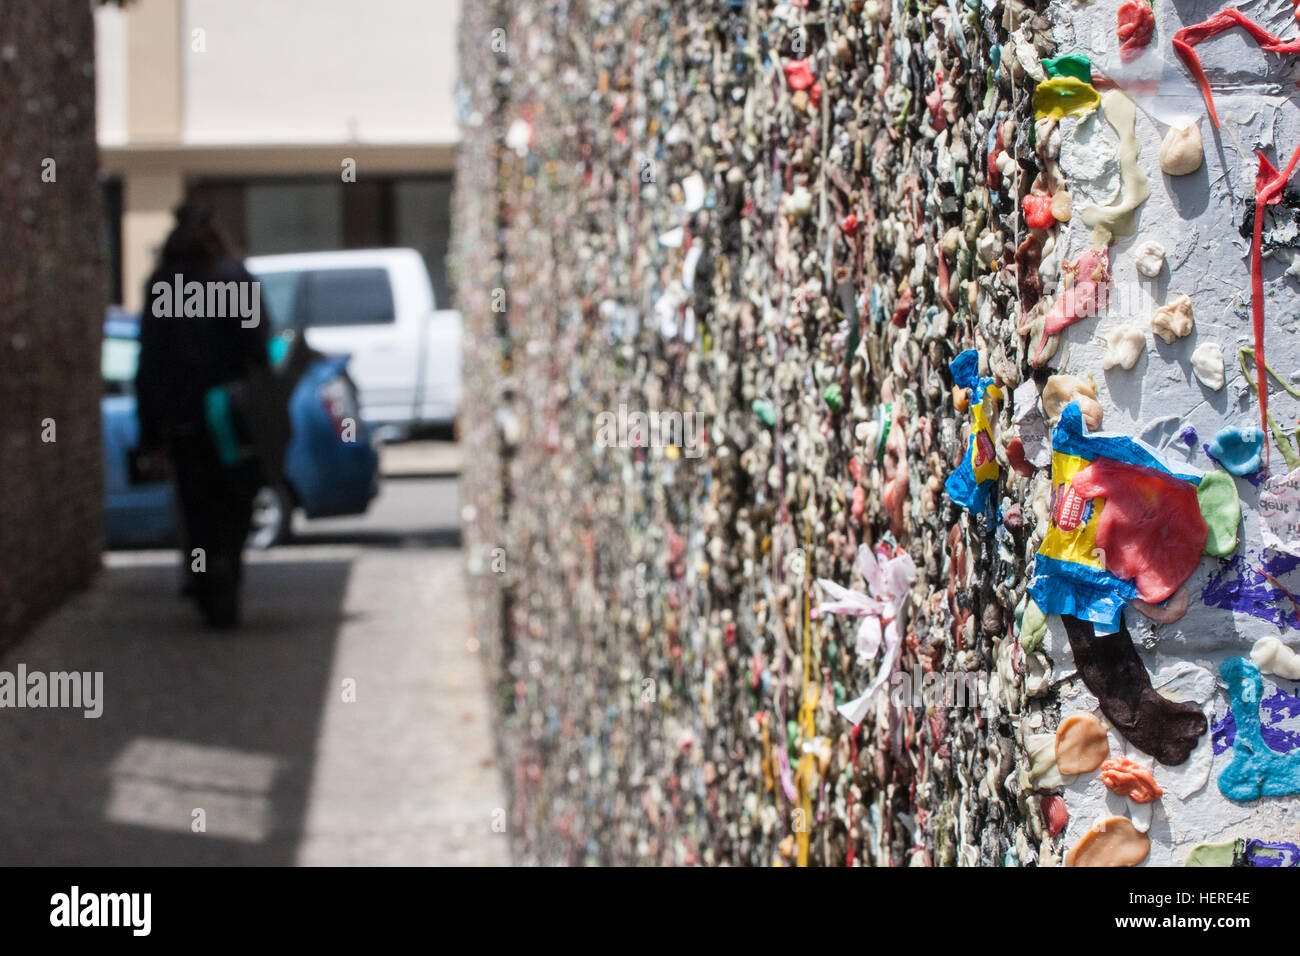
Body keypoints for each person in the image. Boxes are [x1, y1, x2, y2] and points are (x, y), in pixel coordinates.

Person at [135, 202, 282, 628]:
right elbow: (259, 349)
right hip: (230, 418)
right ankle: (226, 580)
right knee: (234, 502)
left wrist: (151, 434)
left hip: (182, 420)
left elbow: (150, 364)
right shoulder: (234, 279)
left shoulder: (163, 285)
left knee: (196, 506)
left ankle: (203, 581)